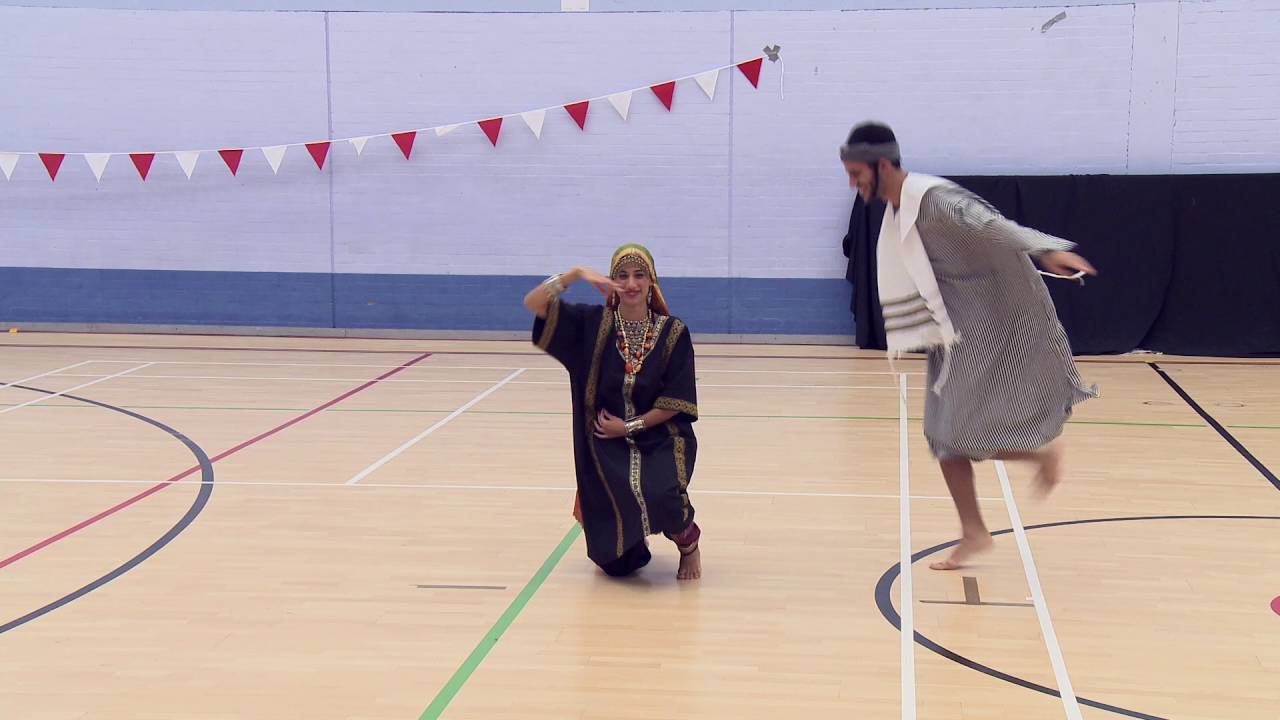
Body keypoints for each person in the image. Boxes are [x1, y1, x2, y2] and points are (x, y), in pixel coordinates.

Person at [838, 121, 1098, 570]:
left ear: (882, 165)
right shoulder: (900, 208)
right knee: (942, 435)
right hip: (951, 326)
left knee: (952, 433)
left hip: (989, 323)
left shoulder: (934, 201)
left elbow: (992, 225)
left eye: (857, 173)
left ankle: (1038, 457)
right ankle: (975, 529)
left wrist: (1044, 250)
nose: (853, 183)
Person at [523, 244, 702, 580]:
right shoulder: (592, 324)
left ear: (652, 282)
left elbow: (673, 401)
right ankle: (629, 544)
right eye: (622, 276)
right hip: (606, 445)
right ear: (612, 281)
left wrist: (629, 426)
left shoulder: (673, 332)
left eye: (639, 275)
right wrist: (574, 274)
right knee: (618, 564)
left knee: (662, 493)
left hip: (660, 436)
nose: (631, 283)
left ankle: (688, 544)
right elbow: (533, 304)